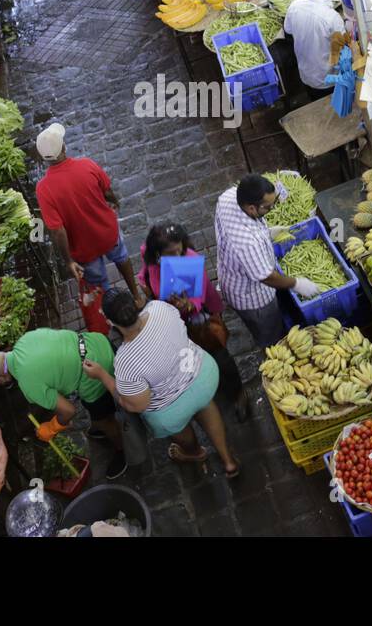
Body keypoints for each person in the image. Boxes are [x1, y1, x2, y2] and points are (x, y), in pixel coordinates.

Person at [84, 290, 240, 477]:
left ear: (110, 322)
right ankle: (228, 461)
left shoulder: (124, 361)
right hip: (202, 377)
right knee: (205, 405)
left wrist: (102, 375)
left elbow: (137, 404)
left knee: (178, 426)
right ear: (135, 303)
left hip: (170, 411)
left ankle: (195, 453)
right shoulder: (160, 307)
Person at [0, 328, 127, 479]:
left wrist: (52, 427)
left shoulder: (29, 385)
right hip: (97, 342)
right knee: (97, 412)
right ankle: (101, 428)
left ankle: (123, 451)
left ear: (0, 380)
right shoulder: (24, 340)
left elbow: (69, 410)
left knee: (105, 419)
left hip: (95, 371)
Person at [138, 224, 249, 423]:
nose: (179, 256)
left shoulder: (189, 261)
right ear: (157, 253)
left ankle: (238, 393)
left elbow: (197, 302)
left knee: (219, 354)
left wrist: (186, 305)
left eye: (180, 250)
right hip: (173, 321)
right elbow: (145, 275)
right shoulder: (148, 253)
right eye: (172, 253)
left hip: (199, 319)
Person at [34, 123, 145, 306]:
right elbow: (107, 191)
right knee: (122, 258)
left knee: (101, 284)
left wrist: (69, 261)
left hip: (83, 248)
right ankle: (136, 295)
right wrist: (114, 202)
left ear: (43, 157)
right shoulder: (87, 165)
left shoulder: (43, 189)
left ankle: (115, 312)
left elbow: (57, 231)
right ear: (63, 147)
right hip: (107, 232)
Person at [213, 173, 320, 348]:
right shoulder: (248, 242)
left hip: (229, 270)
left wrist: (268, 232)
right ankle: (274, 353)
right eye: (267, 207)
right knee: (270, 333)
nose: (272, 209)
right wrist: (297, 283)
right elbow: (266, 277)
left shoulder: (228, 197)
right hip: (252, 298)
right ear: (251, 208)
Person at [283, 0, 346, 102]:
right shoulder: (333, 18)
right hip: (328, 81)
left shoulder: (294, 7)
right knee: (332, 108)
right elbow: (341, 50)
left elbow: (288, 30)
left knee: (316, 103)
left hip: (305, 75)